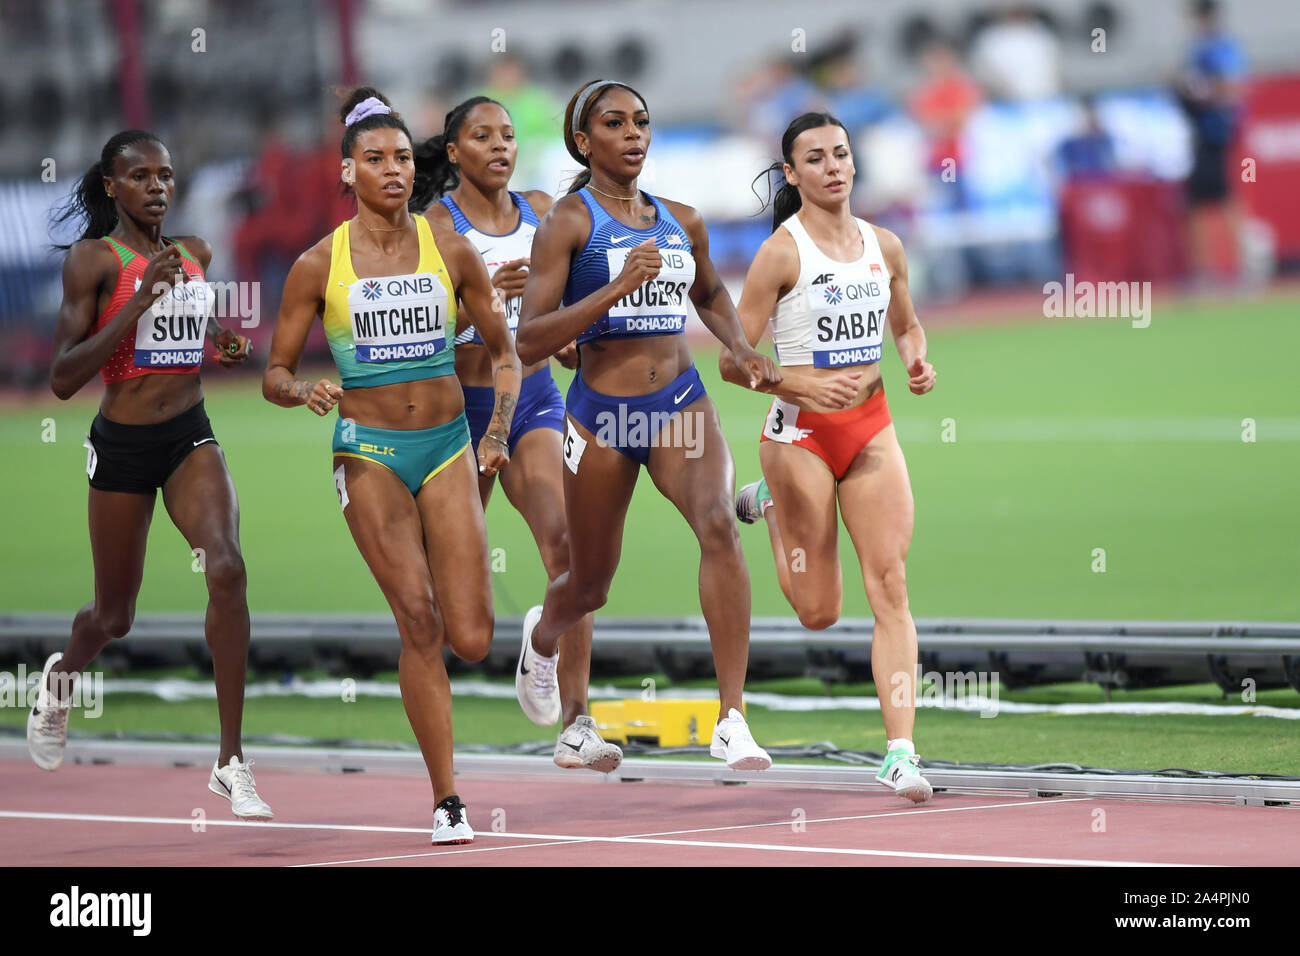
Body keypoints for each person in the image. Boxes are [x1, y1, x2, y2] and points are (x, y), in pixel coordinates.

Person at [262, 88, 521, 844]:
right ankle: (448, 800)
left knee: (470, 634)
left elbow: (503, 352)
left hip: (447, 447)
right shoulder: (319, 264)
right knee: (419, 619)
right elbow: (274, 371)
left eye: (403, 158)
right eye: (374, 159)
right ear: (347, 172)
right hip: (368, 453)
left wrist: (497, 430)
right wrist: (300, 388)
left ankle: (472, 644)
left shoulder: (452, 248)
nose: (392, 171)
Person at [513, 79, 781, 770]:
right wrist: (613, 288)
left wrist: (741, 347)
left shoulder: (682, 220)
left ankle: (732, 719)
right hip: (600, 417)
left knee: (718, 523)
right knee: (590, 583)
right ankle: (543, 639)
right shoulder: (567, 223)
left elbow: (713, 293)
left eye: (641, 121)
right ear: (584, 141)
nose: (633, 133)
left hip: (678, 407)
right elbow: (530, 340)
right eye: (614, 123)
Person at [34, 130, 268, 819]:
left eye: (165, 174)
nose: (158, 186)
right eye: (140, 176)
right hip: (122, 447)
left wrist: (223, 340)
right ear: (112, 186)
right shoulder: (91, 261)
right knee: (115, 615)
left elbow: (197, 328)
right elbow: (60, 377)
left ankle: (230, 762)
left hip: (189, 435)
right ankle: (61, 678)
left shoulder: (193, 254)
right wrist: (136, 304)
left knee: (226, 568)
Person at [721, 112, 938, 802]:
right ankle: (771, 502)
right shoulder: (781, 255)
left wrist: (914, 359)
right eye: (815, 158)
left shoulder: (886, 245)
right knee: (819, 611)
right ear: (792, 173)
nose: (833, 166)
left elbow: (904, 321)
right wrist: (802, 381)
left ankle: (900, 752)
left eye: (841, 153)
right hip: (800, 438)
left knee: (892, 586)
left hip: (871, 428)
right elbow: (733, 360)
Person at [422, 95, 621, 772]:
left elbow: (556, 316)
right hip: (456, 411)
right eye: (482, 137)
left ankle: (575, 718)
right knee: (452, 610)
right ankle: (439, 751)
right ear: (454, 153)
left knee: (571, 550)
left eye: (507, 135)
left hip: (532, 398)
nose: (500, 146)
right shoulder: (433, 227)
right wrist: (472, 301)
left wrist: (561, 340)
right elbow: (416, 342)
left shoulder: (542, 210)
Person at [1176, 0, 1248, 281]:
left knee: (1224, 199)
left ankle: (1241, 264)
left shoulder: (1220, 46)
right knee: (1195, 203)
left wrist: (1199, 94)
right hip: (1200, 134)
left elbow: (1231, 88)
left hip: (1216, 133)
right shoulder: (1197, 49)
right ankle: (1204, 268)